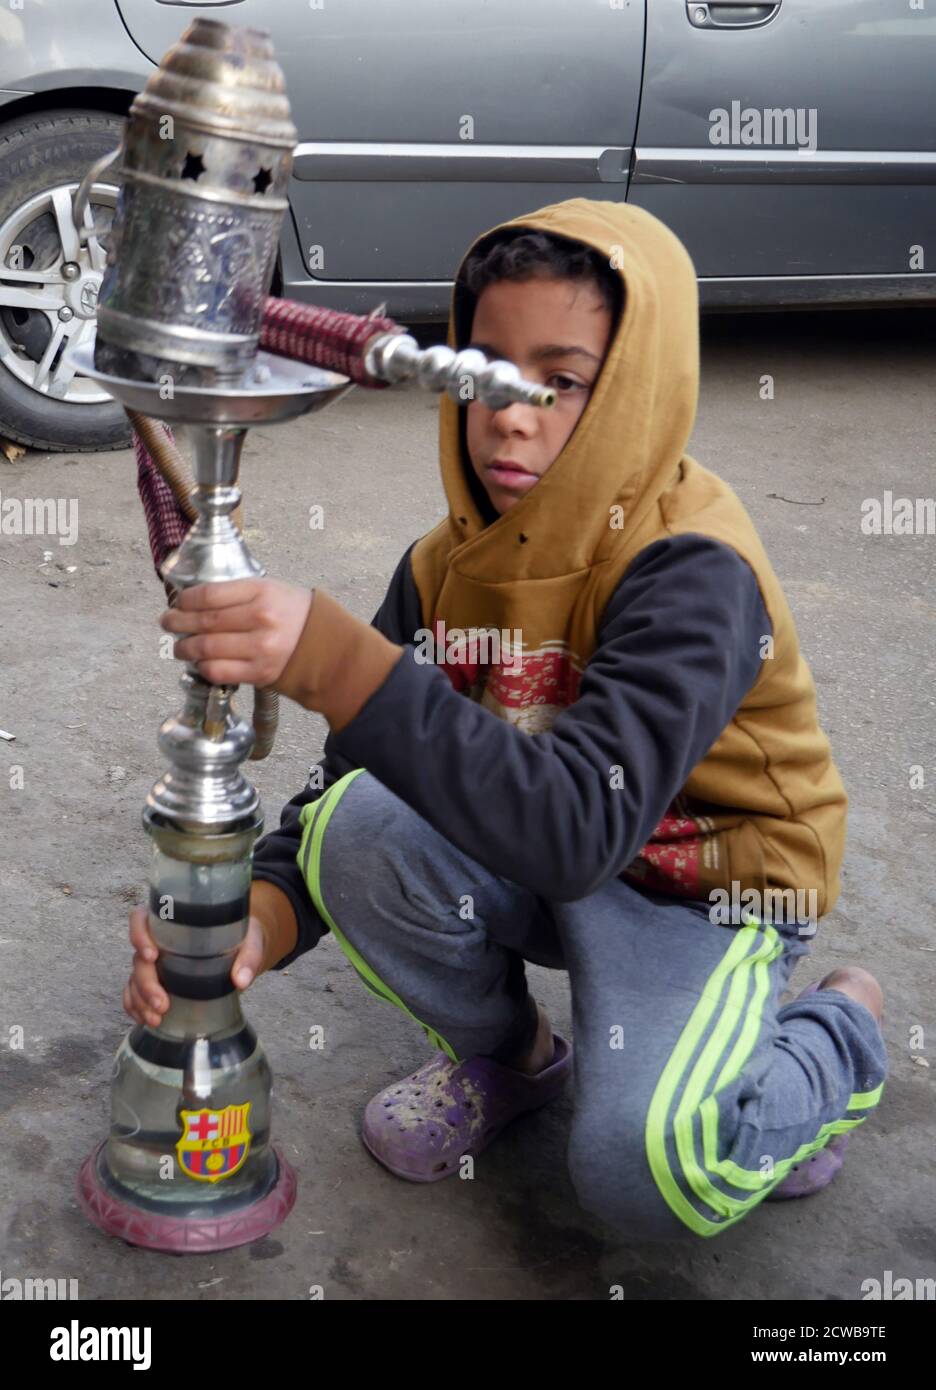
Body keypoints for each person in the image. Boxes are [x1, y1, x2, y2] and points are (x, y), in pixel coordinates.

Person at [124, 199, 886, 1240]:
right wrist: (251, 929)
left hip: (707, 891)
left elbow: (578, 829)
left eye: (562, 381)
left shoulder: (695, 572)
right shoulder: (445, 568)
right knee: (360, 824)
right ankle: (518, 1059)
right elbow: (337, 790)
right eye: (485, 368)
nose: (510, 412)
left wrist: (334, 658)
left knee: (650, 1175)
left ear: (635, 391)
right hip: (539, 853)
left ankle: (838, 1029)